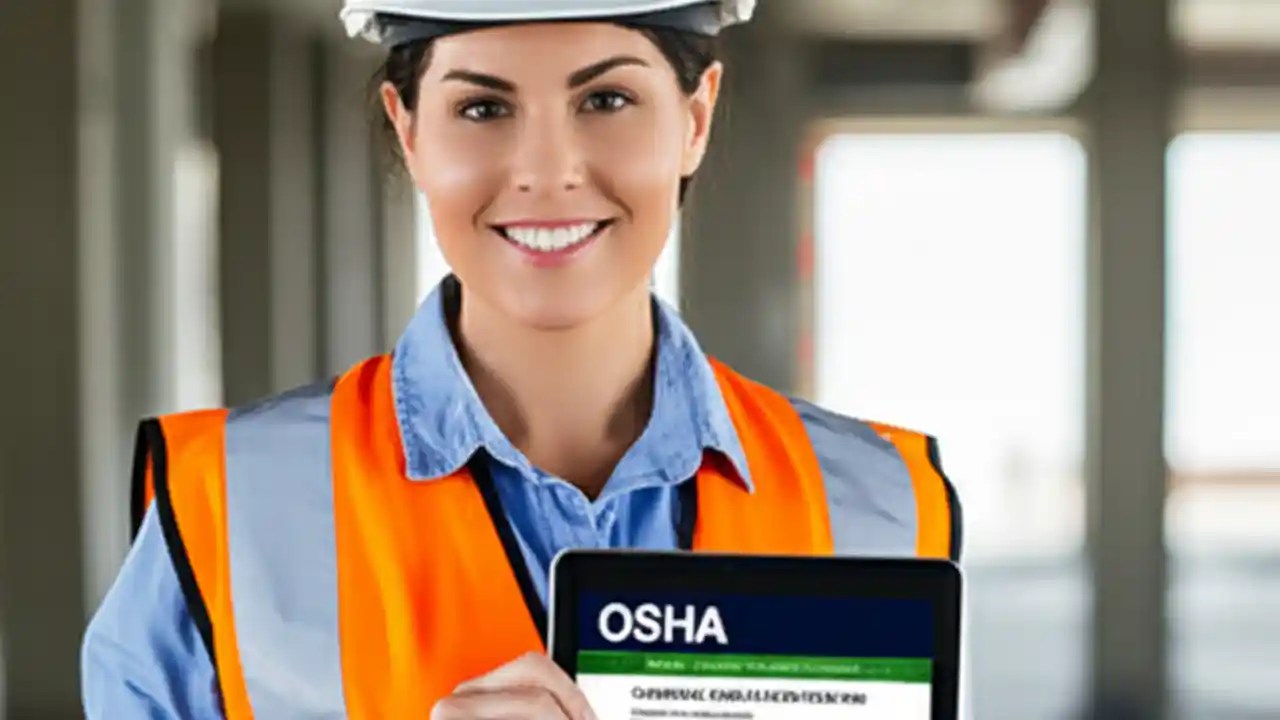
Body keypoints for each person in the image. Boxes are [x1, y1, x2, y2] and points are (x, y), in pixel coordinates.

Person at [81, 1, 962, 717]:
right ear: (410, 130)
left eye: (606, 100)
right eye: (483, 108)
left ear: (695, 119)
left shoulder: (883, 511)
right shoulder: (226, 512)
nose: (548, 170)